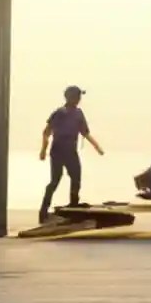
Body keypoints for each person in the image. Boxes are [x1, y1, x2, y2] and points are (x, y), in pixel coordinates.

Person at [38, 86, 104, 223]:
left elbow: (85, 133)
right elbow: (46, 132)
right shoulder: (59, 113)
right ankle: (43, 210)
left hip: (70, 150)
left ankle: (73, 206)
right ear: (70, 97)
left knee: (76, 178)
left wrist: (97, 147)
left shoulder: (78, 114)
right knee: (55, 180)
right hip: (58, 150)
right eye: (77, 96)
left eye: (79, 97)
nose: (79, 99)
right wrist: (43, 150)